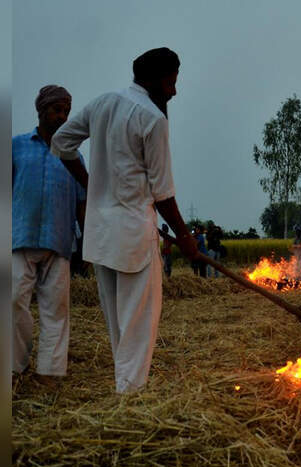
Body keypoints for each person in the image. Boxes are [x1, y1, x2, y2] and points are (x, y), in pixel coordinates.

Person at [50, 47, 198, 394]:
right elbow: (163, 194)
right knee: (138, 323)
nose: (173, 92)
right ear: (156, 80)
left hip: (100, 233)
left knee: (119, 324)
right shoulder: (153, 119)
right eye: (171, 83)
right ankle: (130, 398)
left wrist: (92, 183)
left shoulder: (103, 103)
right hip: (132, 235)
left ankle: (124, 389)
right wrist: (186, 237)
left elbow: (61, 142)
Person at [11, 85, 86, 385]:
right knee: (13, 301)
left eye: (67, 111)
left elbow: (83, 200)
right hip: (19, 237)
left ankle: (50, 373)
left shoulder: (74, 157)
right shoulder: (16, 146)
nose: (63, 116)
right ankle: (14, 367)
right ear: (41, 111)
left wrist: (85, 244)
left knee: (56, 310)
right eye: (57, 110)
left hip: (60, 242)